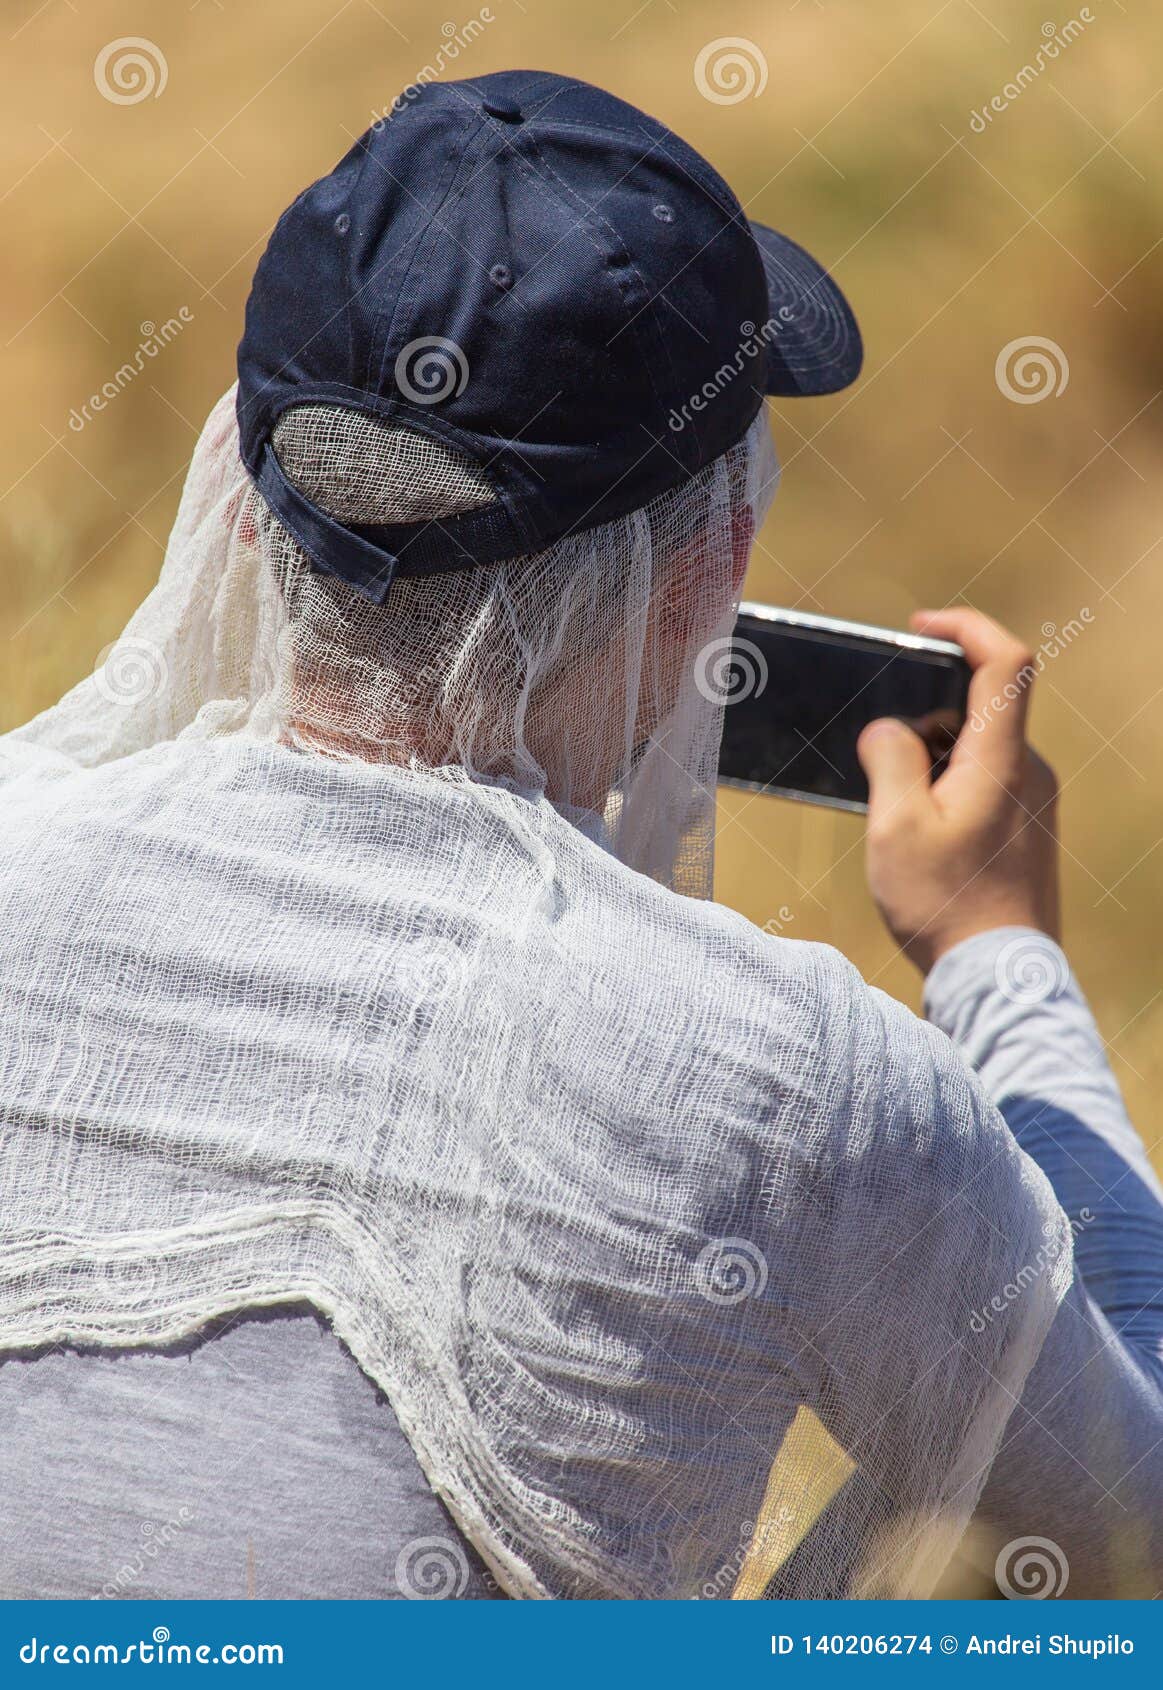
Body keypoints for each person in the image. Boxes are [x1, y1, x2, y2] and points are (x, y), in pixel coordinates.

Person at [0, 70, 1159, 1602]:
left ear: (250, 499)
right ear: (702, 574)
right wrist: (1001, 954)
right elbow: (1123, 1523)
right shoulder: (794, 1080)